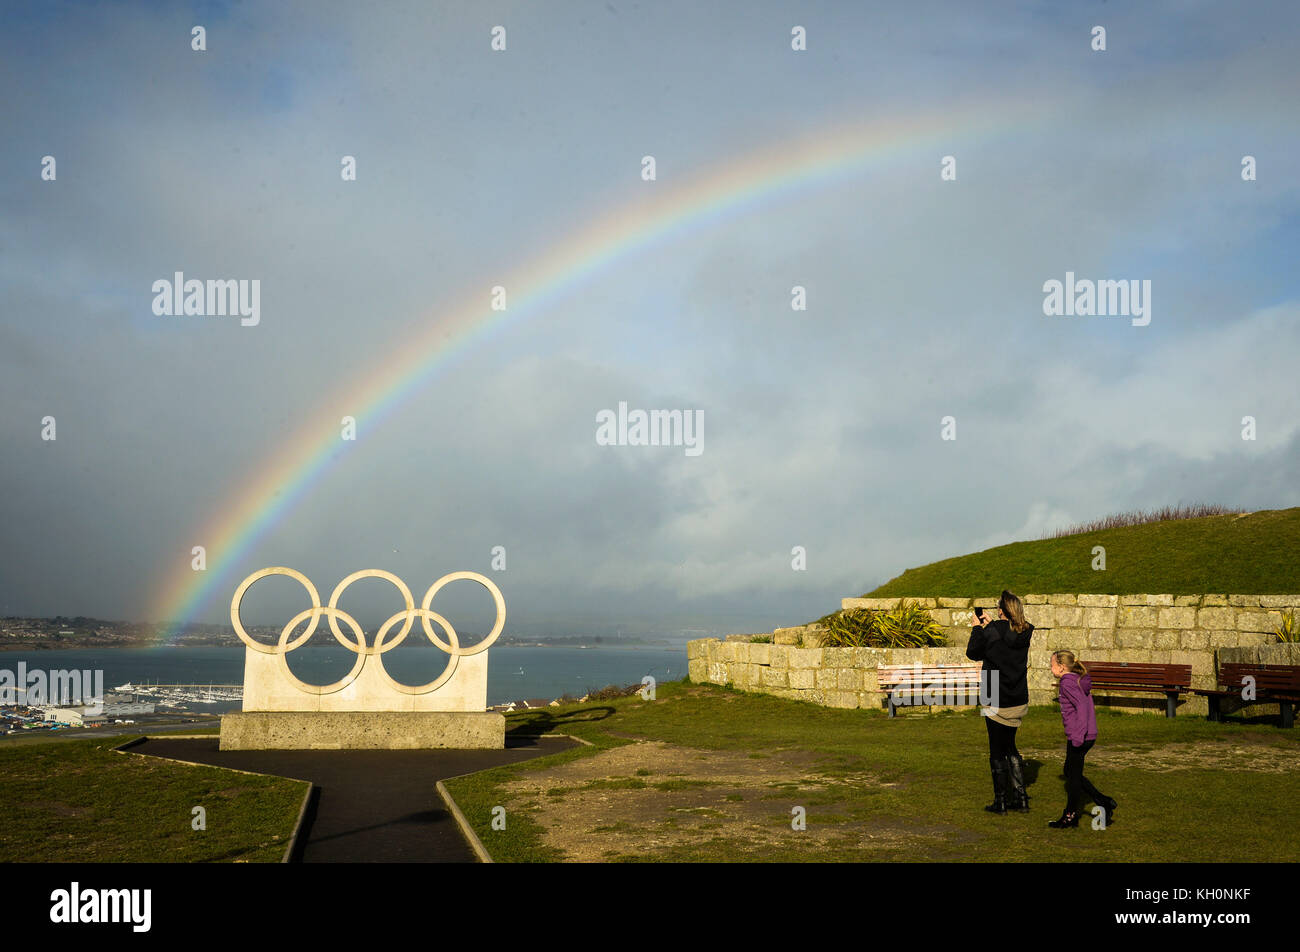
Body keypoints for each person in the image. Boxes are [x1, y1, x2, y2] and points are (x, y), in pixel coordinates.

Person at [965, 590, 1034, 813]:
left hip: (994, 695)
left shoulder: (993, 631)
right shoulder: (1025, 631)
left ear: (1001, 611)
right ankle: (1021, 799)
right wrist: (992, 626)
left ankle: (1001, 801)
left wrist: (978, 627)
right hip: (1017, 696)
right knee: (1010, 746)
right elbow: (1006, 638)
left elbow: (973, 652)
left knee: (996, 749)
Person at [1048, 650, 1118, 828]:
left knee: (1073, 777)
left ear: (1062, 667)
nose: (1050, 668)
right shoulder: (1076, 680)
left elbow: (1082, 709)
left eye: (1052, 665)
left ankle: (1070, 816)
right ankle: (1103, 801)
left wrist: (1077, 737)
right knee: (1071, 772)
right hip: (1084, 734)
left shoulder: (1068, 683)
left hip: (1080, 736)